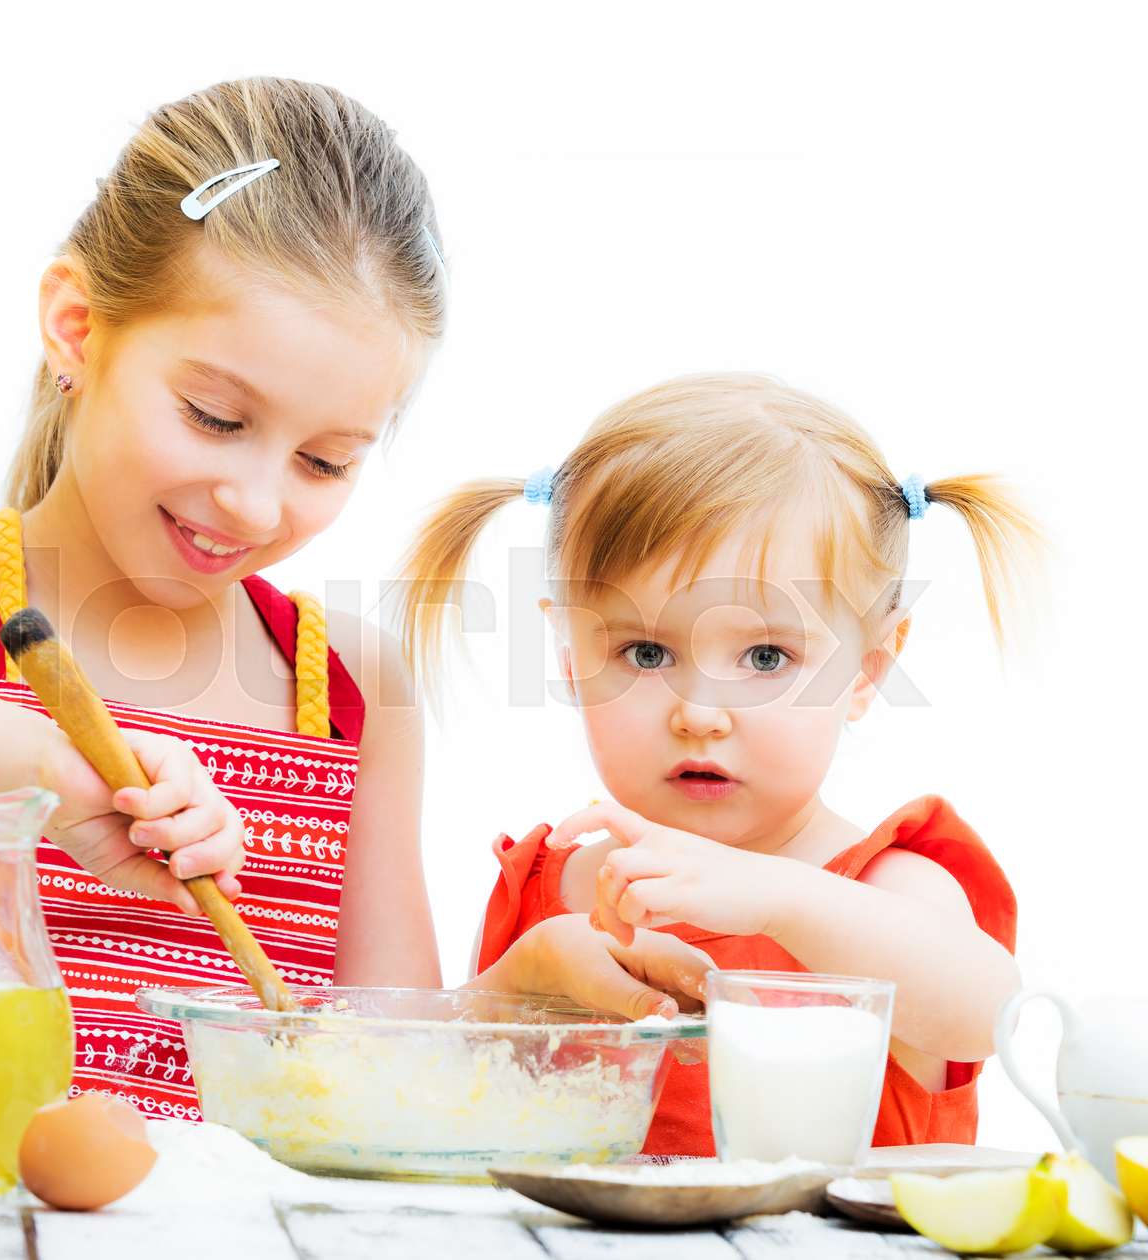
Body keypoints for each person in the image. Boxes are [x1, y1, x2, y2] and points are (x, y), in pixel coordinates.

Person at [0, 78, 698, 1122]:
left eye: (325, 462)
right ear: (77, 327)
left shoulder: (349, 686)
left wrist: (515, 996)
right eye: (215, 418)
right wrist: (46, 761)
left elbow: (377, 1060)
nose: (255, 499)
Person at [398, 372, 1039, 1152]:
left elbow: (989, 1013)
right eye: (645, 650)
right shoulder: (547, 891)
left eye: (767, 655)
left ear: (865, 670)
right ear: (568, 654)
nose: (699, 712)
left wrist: (777, 896)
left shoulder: (889, 889)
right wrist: (504, 992)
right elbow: (435, 1106)